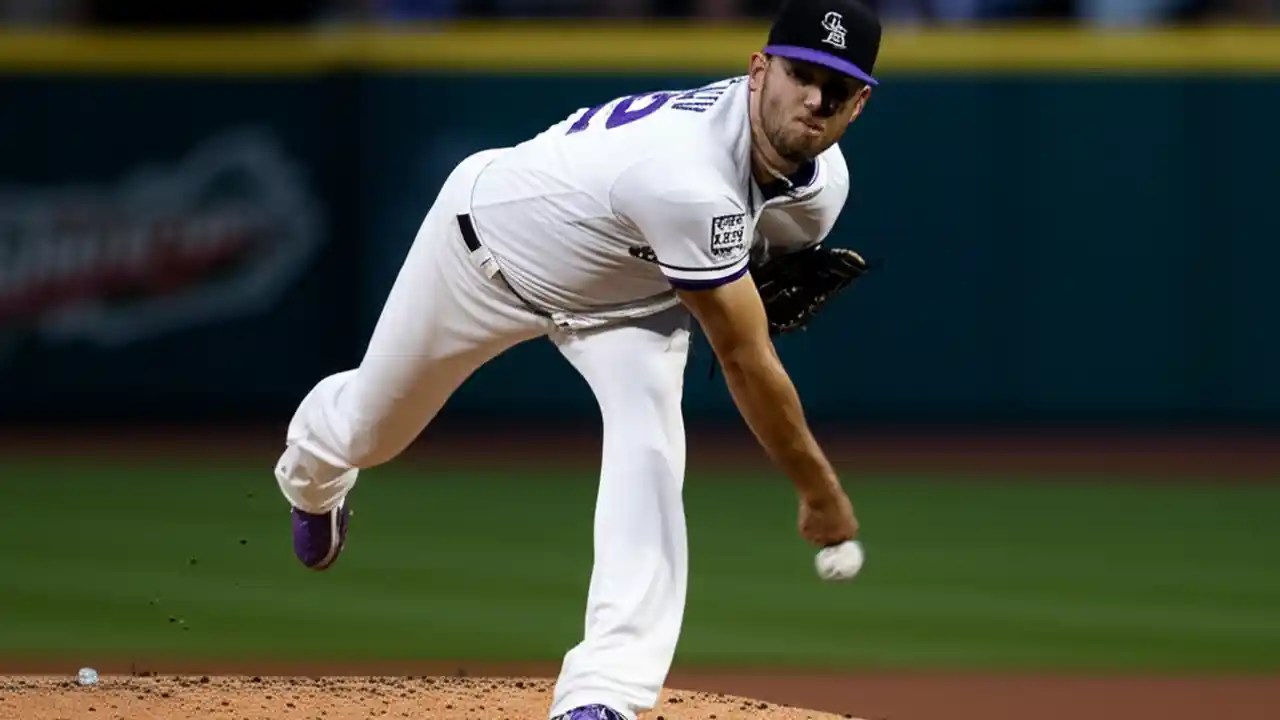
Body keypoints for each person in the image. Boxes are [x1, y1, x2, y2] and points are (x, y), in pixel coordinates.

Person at [273, 1, 880, 718]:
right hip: (485, 255)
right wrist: (820, 491)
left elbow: (746, 263)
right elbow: (744, 358)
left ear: (858, 104)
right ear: (758, 70)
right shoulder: (681, 172)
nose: (814, 98)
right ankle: (311, 476)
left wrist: (739, 278)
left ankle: (604, 693)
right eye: (799, 74)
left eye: (834, 88)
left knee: (651, 441)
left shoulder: (820, 190)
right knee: (372, 430)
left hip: (628, 306)